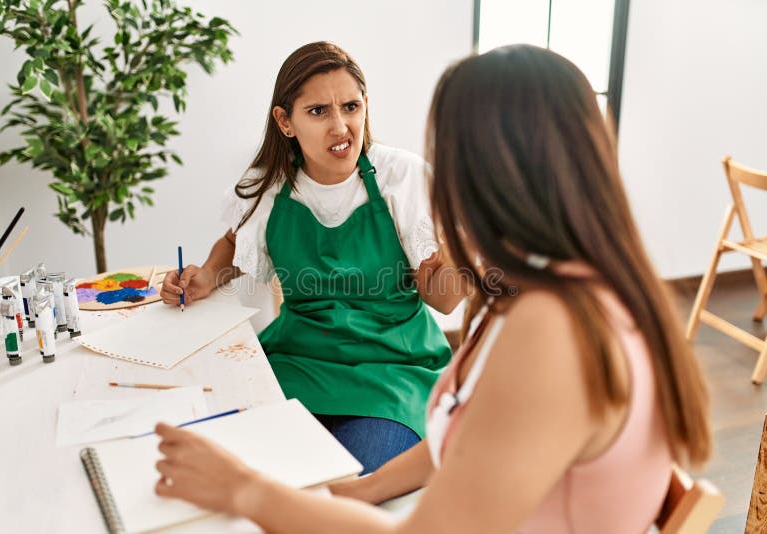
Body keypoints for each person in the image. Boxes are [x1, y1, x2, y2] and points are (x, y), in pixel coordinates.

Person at [153, 44, 712, 533]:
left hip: (387, 383)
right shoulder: (545, 293)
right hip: (312, 367)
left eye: (454, 154)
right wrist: (361, 490)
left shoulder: (550, 329)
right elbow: (465, 430)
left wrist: (246, 492)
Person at [160, 41, 463, 474]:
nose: (341, 127)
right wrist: (206, 276)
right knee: (248, 468)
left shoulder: (402, 176)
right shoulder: (269, 183)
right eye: (318, 111)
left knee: (344, 481)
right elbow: (234, 241)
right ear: (285, 121)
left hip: (393, 373)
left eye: (351, 107)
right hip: (298, 363)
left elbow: (445, 300)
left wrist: (462, 231)